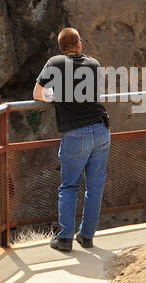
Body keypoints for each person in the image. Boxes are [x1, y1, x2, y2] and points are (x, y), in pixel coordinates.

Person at [33, 27, 110, 252]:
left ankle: (65, 238)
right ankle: (86, 236)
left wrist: (55, 96)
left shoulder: (55, 63)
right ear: (79, 44)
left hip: (76, 134)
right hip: (101, 129)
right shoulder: (94, 64)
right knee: (95, 187)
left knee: (69, 187)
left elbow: (37, 94)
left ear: (61, 47)